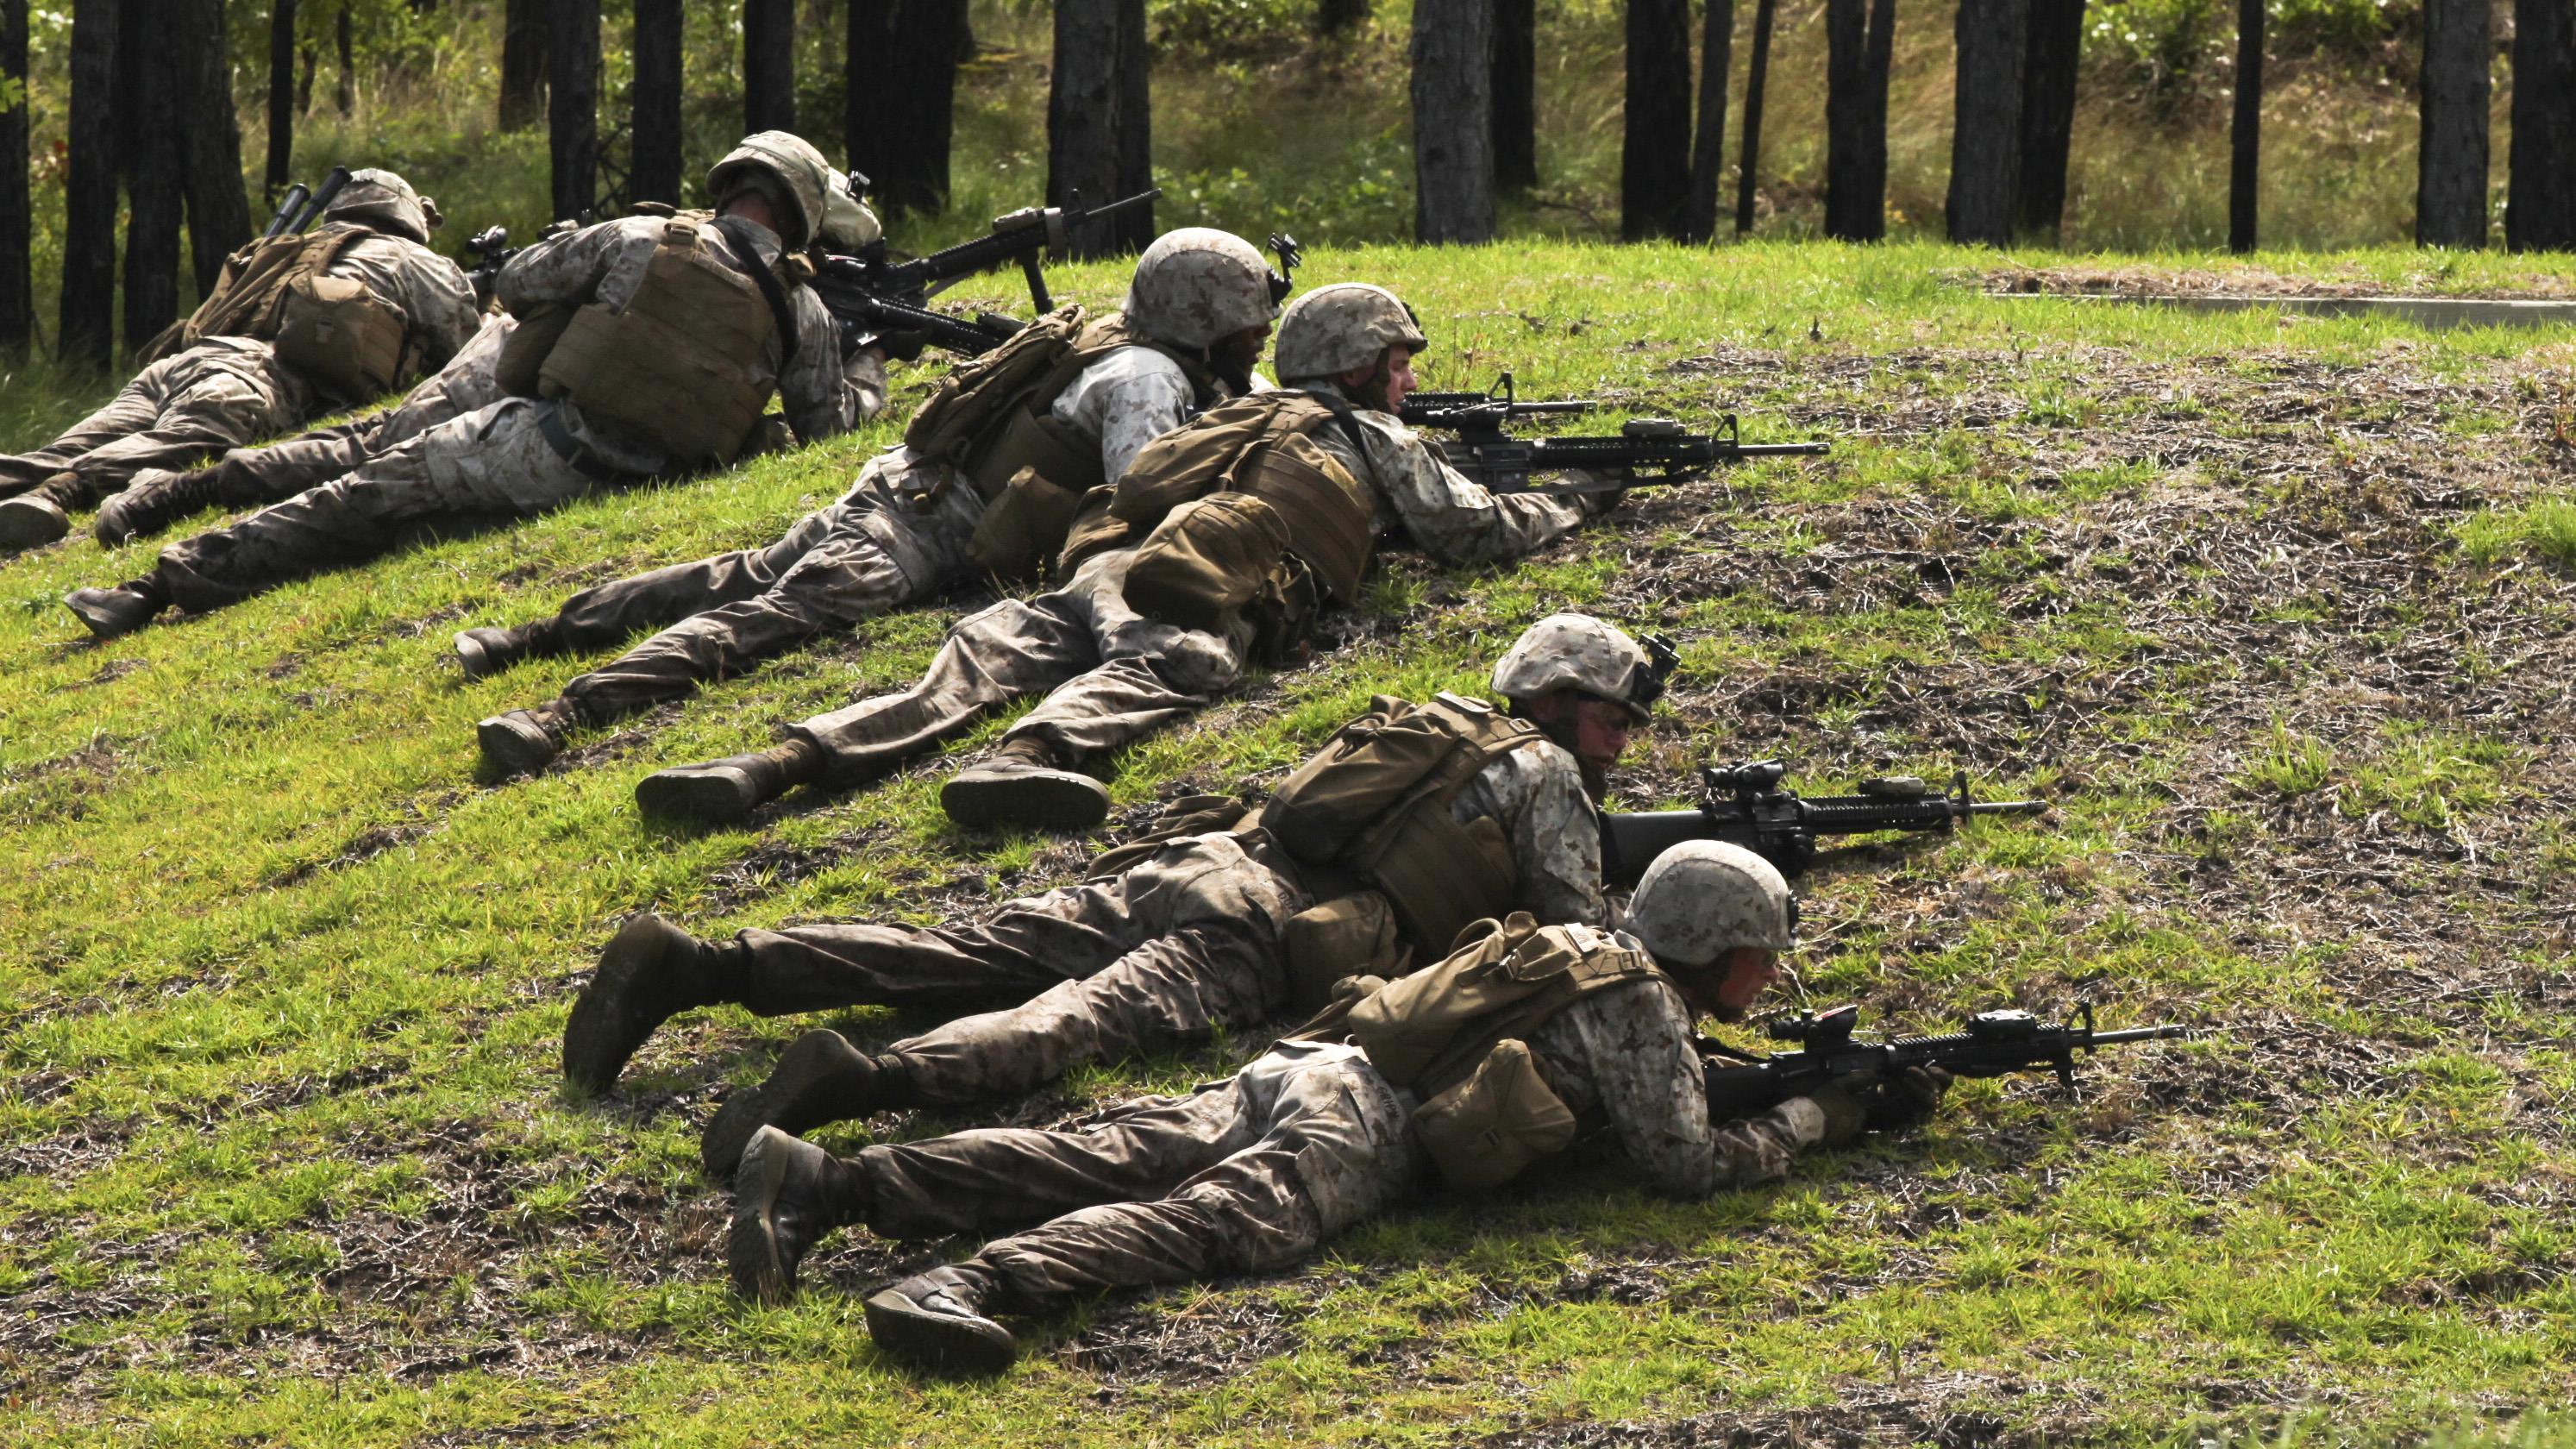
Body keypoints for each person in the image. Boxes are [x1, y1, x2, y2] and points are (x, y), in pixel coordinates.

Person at [726, 840, 1953, 1373]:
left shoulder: (1584, 944)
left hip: (1307, 1067)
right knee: (1192, 1226)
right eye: (1761, 957)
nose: (1768, 981)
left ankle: (831, 1185)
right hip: (1355, 1133)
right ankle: (966, 1287)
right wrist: (1818, 1123)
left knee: (1089, 1151)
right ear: (1721, 949)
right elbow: (1681, 1164)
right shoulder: (1641, 1009)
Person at [559, 614, 1670, 1181]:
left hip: (1200, 863)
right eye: (1612, 717)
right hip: (1263, 931)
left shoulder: (1428, 715)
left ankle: (705, 965)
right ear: (1561, 699)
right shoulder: (1550, 776)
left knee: (961, 945)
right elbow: (1572, 931)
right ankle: (864, 1078)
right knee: (1073, 1021)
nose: (1617, 741)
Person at [631, 281, 1621, 834]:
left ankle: (773, 762)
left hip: (1098, 564)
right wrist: (1574, 499)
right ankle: (1031, 756)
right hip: (1183, 586)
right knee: (1169, 661)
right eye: (1398, 362)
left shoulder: (1238, 406)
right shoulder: (1371, 437)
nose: (1409, 381)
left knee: (971, 664)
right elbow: (1473, 530)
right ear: (1359, 367)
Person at [461, 226, 1281, 778]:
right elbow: (1145, 492)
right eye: (1248, 326)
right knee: (769, 614)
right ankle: (562, 713)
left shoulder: (1139, 347)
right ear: (1200, 319)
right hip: (914, 528)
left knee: (737, 578)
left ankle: (532, 635)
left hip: (905, 491)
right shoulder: (1148, 379)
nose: (1258, 340)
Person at [61, 132, 875, 642]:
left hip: (536, 445)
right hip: (640, 483)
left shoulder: (639, 235)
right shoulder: (800, 310)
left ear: (731, 184)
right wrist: (870, 365)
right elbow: (829, 427)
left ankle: (154, 587)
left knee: (354, 495)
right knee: (403, 528)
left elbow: (519, 284)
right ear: (801, 216)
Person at [0, 170, 479, 551]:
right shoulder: (415, 260)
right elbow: (466, 349)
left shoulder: (283, 247)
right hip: (249, 376)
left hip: (174, 367)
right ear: (407, 217)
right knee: (185, 442)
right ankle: (57, 494)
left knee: (60, 449)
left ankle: (23, 480)